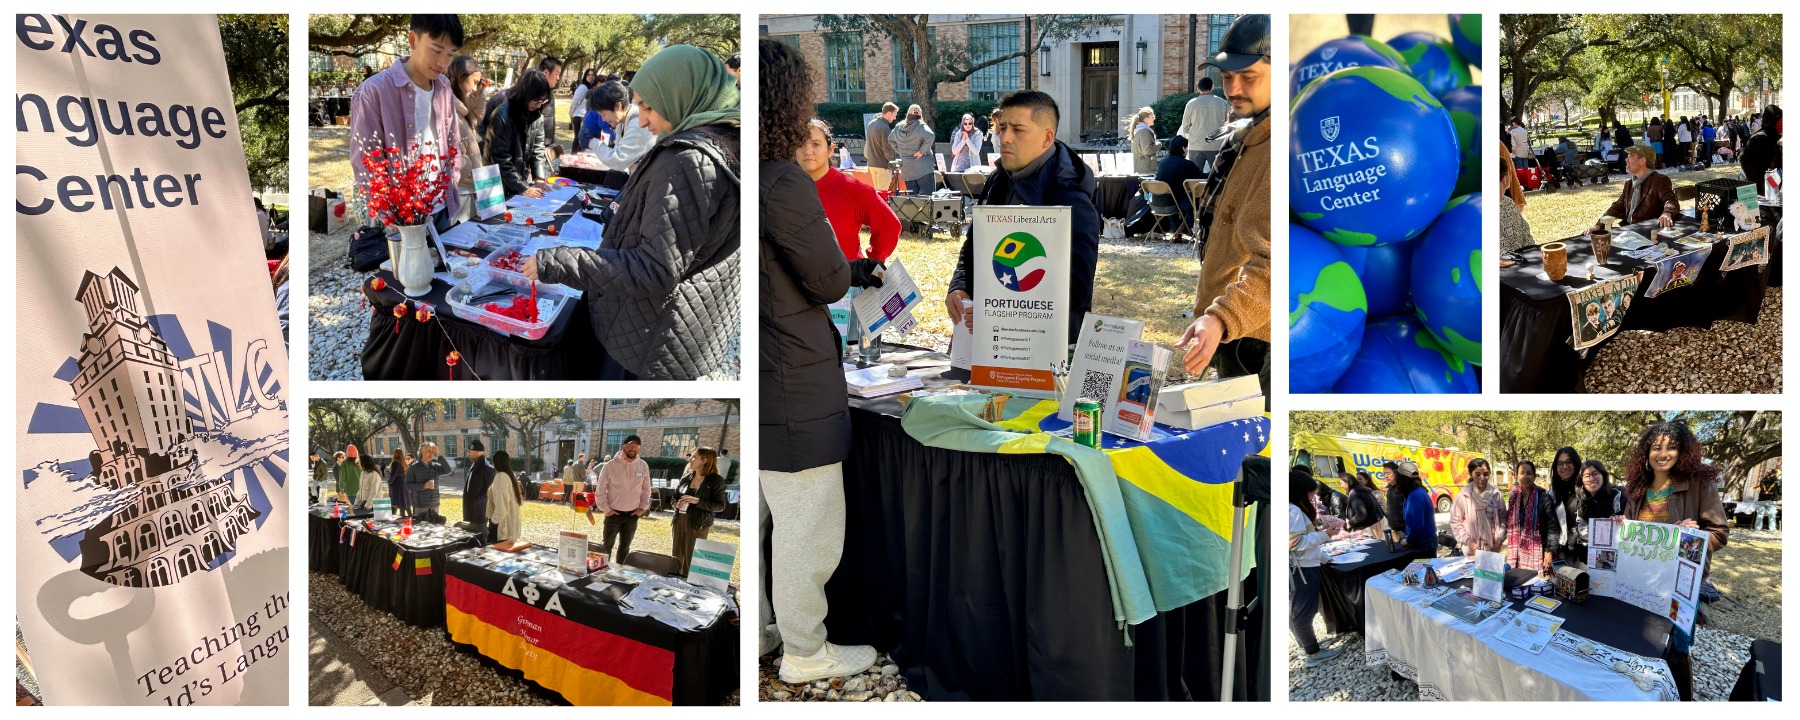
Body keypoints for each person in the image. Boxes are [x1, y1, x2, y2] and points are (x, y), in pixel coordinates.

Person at [757, 38, 876, 683]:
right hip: (792, 380)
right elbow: (828, 281)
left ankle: (765, 636)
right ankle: (807, 651)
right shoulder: (781, 181)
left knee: (768, 522)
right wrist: (847, 266)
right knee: (810, 528)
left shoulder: (735, 168)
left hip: (761, 376)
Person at [523, 45, 741, 381]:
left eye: (648, 107)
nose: (642, 120)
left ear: (683, 95)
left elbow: (654, 269)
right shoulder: (727, 141)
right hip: (675, 330)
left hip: (649, 336)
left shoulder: (689, 160)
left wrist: (559, 262)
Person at [944, 90, 1099, 344]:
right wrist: (959, 285)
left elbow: (1076, 293)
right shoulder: (998, 178)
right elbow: (974, 246)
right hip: (981, 340)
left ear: (1047, 138)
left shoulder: (1070, 196)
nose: (1005, 138)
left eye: (1018, 129)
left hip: (1038, 352)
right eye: (1002, 127)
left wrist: (1000, 313)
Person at [1175, 14, 1271, 403]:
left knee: (1254, 454)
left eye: (1247, 77)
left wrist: (1222, 316)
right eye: (1227, 77)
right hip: (1232, 325)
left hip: (1257, 335)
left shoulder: (1285, 145)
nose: (1233, 88)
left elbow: (1278, 258)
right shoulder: (1248, 133)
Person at [1621, 420, 1728, 701]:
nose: (1663, 453)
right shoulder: (1637, 489)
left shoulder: (1699, 485)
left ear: (1683, 452)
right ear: (1646, 453)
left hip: (1679, 584)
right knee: (1645, 641)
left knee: (1676, 649)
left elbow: (1719, 533)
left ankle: (1679, 698)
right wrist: (1618, 528)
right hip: (1642, 582)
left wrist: (1694, 536)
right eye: (1656, 447)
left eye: (1672, 447)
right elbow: (1632, 533)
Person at [349, 14, 466, 227]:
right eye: (437, 50)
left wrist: (451, 179)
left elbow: (452, 142)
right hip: (400, 219)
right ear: (413, 40)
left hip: (441, 207)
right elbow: (365, 162)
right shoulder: (375, 91)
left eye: (450, 54)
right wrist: (390, 216)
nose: (443, 62)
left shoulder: (444, 87)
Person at [797, 118, 900, 262]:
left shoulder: (850, 189)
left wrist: (873, 261)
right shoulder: (783, 189)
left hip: (844, 280)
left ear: (830, 150)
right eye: (801, 143)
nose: (808, 151)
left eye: (816, 144)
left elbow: (889, 224)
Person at [1289, 469, 1343, 667]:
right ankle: (1313, 653)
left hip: (1302, 566)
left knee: (1295, 611)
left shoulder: (1291, 509)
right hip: (1302, 570)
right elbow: (1293, 543)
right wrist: (1326, 534)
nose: (1313, 498)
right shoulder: (1293, 510)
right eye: (1310, 494)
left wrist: (1321, 556)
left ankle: (1306, 646)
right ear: (1299, 492)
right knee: (1303, 613)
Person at [484, 70, 555, 198]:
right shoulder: (503, 116)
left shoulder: (536, 116)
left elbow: (538, 150)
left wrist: (539, 177)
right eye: (536, 101)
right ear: (525, 95)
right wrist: (522, 187)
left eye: (542, 101)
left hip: (518, 177)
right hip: (495, 181)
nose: (539, 106)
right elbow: (500, 157)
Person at [1591, 145, 1678, 233]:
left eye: (1631, 155)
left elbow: (1671, 201)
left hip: (1646, 231)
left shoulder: (1659, 180)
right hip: (1628, 229)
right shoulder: (1629, 184)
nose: (1626, 159)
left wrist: (1667, 213)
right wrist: (1598, 225)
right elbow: (1617, 207)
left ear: (1642, 160)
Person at [671, 447, 729, 574]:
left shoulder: (716, 481)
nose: (689, 459)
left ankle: (689, 584)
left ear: (704, 460)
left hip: (698, 523)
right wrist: (676, 504)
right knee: (676, 554)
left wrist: (697, 501)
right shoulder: (686, 477)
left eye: (693, 457)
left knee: (692, 556)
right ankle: (674, 580)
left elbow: (720, 505)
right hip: (679, 520)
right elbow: (674, 498)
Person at [595, 435, 651, 560]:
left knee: (625, 547)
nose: (633, 448)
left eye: (636, 446)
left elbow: (646, 489)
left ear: (639, 448)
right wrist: (606, 509)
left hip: (632, 514)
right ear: (623, 446)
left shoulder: (643, 466)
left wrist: (642, 508)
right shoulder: (610, 465)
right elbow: (600, 489)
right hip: (613, 513)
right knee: (607, 546)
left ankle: (620, 574)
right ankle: (602, 571)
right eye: (630, 445)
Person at [445, 55, 486, 221]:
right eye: (474, 82)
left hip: (469, 186)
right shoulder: (449, 109)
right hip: (459, 189)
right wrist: (467, 165)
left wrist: (479, 95)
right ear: (462, 77)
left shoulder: (461, 108)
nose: (475, 88)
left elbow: (475, 119)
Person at [582, 81, 653, 172]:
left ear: (618, 106)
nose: (603, 119)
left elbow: (618, 161)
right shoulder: (622, 122)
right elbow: (618, 150)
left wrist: (595, 144)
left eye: (604, 114)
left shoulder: (637, 124)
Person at [1505, 460, 1557, 575]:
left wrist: (1549, 551)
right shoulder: (1513, 498)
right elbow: (1509, 523)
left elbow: (1553, 528)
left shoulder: (1544, 498)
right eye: (1521, 473)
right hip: (1517, 552)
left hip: (1539, 551)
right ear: (1517, 476)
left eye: (1529, 473)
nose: (1525, 476)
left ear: (1534, 476)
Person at [1573, 459, 1624, 565]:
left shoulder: (1619, 494)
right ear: (1581, 480)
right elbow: (1582, 532)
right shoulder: (1582, 502)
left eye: (1595, 474)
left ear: (1603, 475)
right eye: (1586, 476)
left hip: (1619, 558)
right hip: (1591, 560)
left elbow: (1628, 523)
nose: (1591, 479)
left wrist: (1623, 519)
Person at [1450, 457, 1504, 555]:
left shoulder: (1496, 495)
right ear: (1471, 474)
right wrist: (1468, 540)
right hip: (1472, 551)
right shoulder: (1464, 495)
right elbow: (1455, 521)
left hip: (1492, 548)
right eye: (1477, 474)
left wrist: (1500, 538)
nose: (1482, 478)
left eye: (1486, 474)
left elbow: (1503, 519)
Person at [1177, 76, 1231, 170]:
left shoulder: (1191, 104)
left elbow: (1185, 127)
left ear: (1198, 88)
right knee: (1217, 177)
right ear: (1212, 87)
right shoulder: (1223, 103)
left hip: (1196, 145)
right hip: (1217, 145)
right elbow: (1231, 123)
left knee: (1194, 177)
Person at [1155, 135, 1205, 229]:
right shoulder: (1186, 164)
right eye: (1187, 148)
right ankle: (1187, 227)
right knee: (1194, 196)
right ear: (1183, 148)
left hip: (1156, 203)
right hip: (1174, 205)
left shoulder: (1162, 162)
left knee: (1175, 194)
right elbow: (1203, 178)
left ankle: (1177, 229)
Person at [1545, 446, 1584, 566]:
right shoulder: (1554, 492)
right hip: (1564, 551)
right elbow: (1551, 524)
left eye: (1568, 462)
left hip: (1586, 551)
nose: (1564, 467)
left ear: (1576, 464)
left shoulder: (1585, 487)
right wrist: (1550, 549)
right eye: (1560, 463)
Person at [889, 104, 936, 195]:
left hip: (907, 169)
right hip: (923, 169)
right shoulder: (920, 126)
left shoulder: (898, 127)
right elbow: (931, 135)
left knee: (913, 201)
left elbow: (890, 139)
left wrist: (900, 151)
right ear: (920, 115)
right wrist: (921, 152)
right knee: (927, 200)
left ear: (907, 114)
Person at [1397, 460, 1438, 555]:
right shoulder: (1413, 493)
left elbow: (1416, 525)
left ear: (1402, 479)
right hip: (1423, 542)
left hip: (1423, 543)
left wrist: (1408, 540)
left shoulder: (1416, 495)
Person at [1742, 106, 1782, 195]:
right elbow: (1744, 159)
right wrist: (1755, 183)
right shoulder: (1760, 137)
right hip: (1751, 183)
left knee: (1772, 202)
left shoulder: (1774, 138)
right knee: (1755, 208)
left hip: (1767, 178)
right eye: (1780, 122)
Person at [1500, 157, 1536, 255]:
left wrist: (1533, 252)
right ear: (1504, 179)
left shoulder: (1509, 202)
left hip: (1525, 259)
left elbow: (1525, 232)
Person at [486, 450, 523, 543]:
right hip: (507, 526)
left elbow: (501, 507)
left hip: (501, 528)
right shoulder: (508, 475)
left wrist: (493, 522)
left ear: (495, 463)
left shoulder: (502, 477)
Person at [463, 439, 495, 540]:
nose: (468, 454)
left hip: (480, 512)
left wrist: (475, 501)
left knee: (482, 538)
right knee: (471, 538)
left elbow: (488, 491)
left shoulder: (487, 468)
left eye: (470, 452)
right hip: (470, 510)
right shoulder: (474, 464)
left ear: (478, 452)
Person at [864, 102, 899, 189]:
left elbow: (867, 146)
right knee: (883, 195)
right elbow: (887, 149)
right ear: (889, 113)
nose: (895, 118)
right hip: (882, 166)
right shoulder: (884, 128)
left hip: (872, 164)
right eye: (894, 114)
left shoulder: (871, 124)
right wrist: (894, 163)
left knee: (877, 193)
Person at [1380, 460, 1406, 548]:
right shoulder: (1390, 487)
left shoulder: (1402, 488)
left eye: (1388, 473)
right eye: (1384, 473)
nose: (1386, 476)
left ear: (1396, 473)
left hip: (1405, 529)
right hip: (1394, 529)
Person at [1128, 107, 1157, 174]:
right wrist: (1158, 145)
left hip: (1142, 166)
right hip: (1145, 168)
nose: (1154, 118)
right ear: (1146, 119)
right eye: (1152, 116)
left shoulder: (1140, 130)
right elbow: (1147, 150)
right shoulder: (1144, 131)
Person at [570, 69, 596, 140]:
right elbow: (574, 103)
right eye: (589, 75)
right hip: (579, 116)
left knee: (583, 139)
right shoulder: (583, 87)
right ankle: (574, 151)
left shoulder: (591, 87)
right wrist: (571, 115)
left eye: (592, 75)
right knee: (578, 139)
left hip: (586, 116)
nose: (591, 76)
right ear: (585, 76)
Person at [387, 449, 410, 517]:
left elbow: (393, 475)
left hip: (397, 486)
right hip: (403, 485)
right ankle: (407, 518)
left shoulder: (395, 463)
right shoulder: (403, 462)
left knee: (395, 504)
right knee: (403, 504)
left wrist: (389, 483)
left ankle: (394, 519)